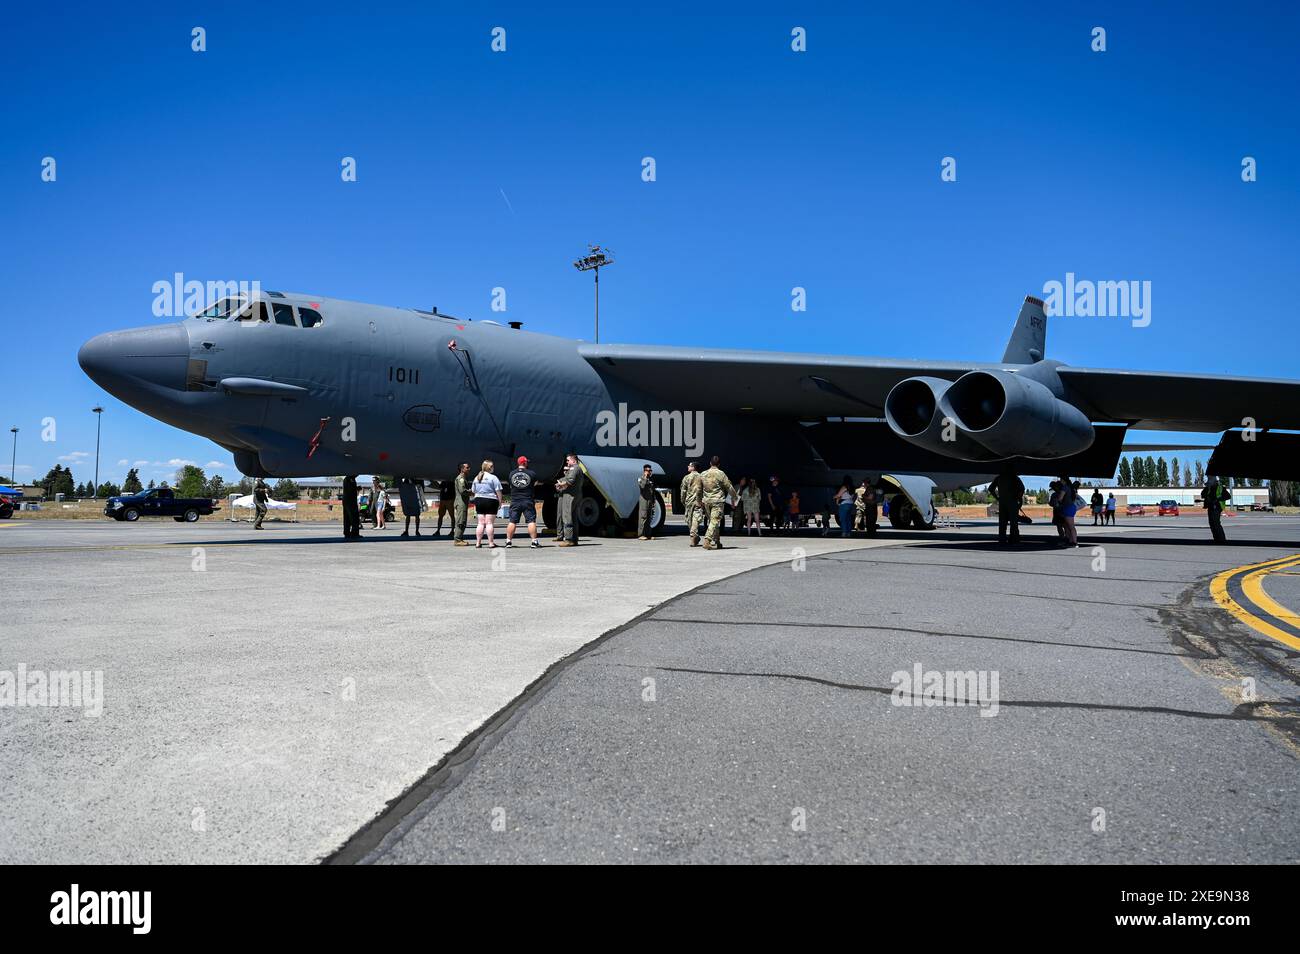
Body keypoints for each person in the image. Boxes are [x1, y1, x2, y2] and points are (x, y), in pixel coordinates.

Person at [700, 455, 737, 550]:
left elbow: (699, 489)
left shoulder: (703, 474)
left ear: (710, 463)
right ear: (719, 464)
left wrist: (700, 500)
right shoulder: (721, 474)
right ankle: (707, 540)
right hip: (717, 501)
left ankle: (717, 541)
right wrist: (734, 496)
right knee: (714, 521)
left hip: (707, 501)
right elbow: (728, 486)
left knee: (713, 521)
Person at [505, 456, 541, 549]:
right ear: (524, 463)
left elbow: (510, 485)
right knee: (531, 521)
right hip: (527, 500)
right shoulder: (531, 473)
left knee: (512, 521)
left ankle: (508, 541)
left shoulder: (511, 473)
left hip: (515, 500)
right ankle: (534, 541)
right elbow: (536, 483)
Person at [471, 460, 503, 548]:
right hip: (490, 500)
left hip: (479, 500)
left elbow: (473, 490)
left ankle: (478, 542)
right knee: (489, 523)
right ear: (490, 467)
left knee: (480, 523)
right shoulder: (493, 477)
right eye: (492, 466)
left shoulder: (477, 477)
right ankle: (491, 543)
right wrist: (500, 501)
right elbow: (498, 491)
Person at [555, 453, 583, 547]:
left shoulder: (574, 468)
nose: (567, 462)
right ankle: (574, 539)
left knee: (567, 516)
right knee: (573, 517)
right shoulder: (576, 468)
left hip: (570, 495)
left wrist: (560, 484)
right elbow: (567, 478)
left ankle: (568, 539)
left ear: (573, 460)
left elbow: (570, 480)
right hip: (575, 494)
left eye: (568, 460)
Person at [990, 472, 1024, 544]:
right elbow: (1022, 489)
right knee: (1014, 523)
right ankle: (1014, 539)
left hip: (1002, 503)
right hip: (1012, 503)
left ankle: (1002, 539)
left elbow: (991, 489)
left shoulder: (999, 478)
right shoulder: (1014, 477)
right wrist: (1019, 500)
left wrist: (997, 498)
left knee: (1002, 523)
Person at [681, 461, 704, 546]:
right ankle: (695, 536)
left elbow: (683, 491)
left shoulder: (686, 478)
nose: (688, 466)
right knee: (696, 519)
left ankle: (693, 536)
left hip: (689, 502)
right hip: (698, 502)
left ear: (694, 467)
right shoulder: (702, 477)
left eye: (690, 466)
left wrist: (683, 501)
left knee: (689, 520)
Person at [1203, 475, 1231, 544]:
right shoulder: (1208, 488)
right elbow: (1203, 494)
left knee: (1216, 523)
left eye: (1210, 479)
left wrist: (1218, 499)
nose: (1209, 480)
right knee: (1212, 523)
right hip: (1210, 507)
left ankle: (1221, 539)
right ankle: (1216, 539)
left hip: (1217, 507)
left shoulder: (1220, 488)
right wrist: (1207, 489)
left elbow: (1228, 496)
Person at [637, 465, 657, 540]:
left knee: (649, 517)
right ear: (644, 471)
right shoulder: (641, 479)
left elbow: (653, 491)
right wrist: (645, 477)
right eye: (648, 471)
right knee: (643, 517)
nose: (649, 472)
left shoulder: (651, 480)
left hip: (650, 500)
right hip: (644, 500)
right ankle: (641, 534)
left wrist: (654, 500)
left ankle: (648, 534)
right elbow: (642, 487)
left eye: (650, 471)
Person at [341, 475, 361, 540]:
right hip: (350, 501)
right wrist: (356, 489)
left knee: (347, 518)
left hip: (346, 501)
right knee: (354, 517)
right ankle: (354, 533)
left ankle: (347, 533)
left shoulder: (346, 479)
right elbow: (350, 490)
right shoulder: (350, 479)